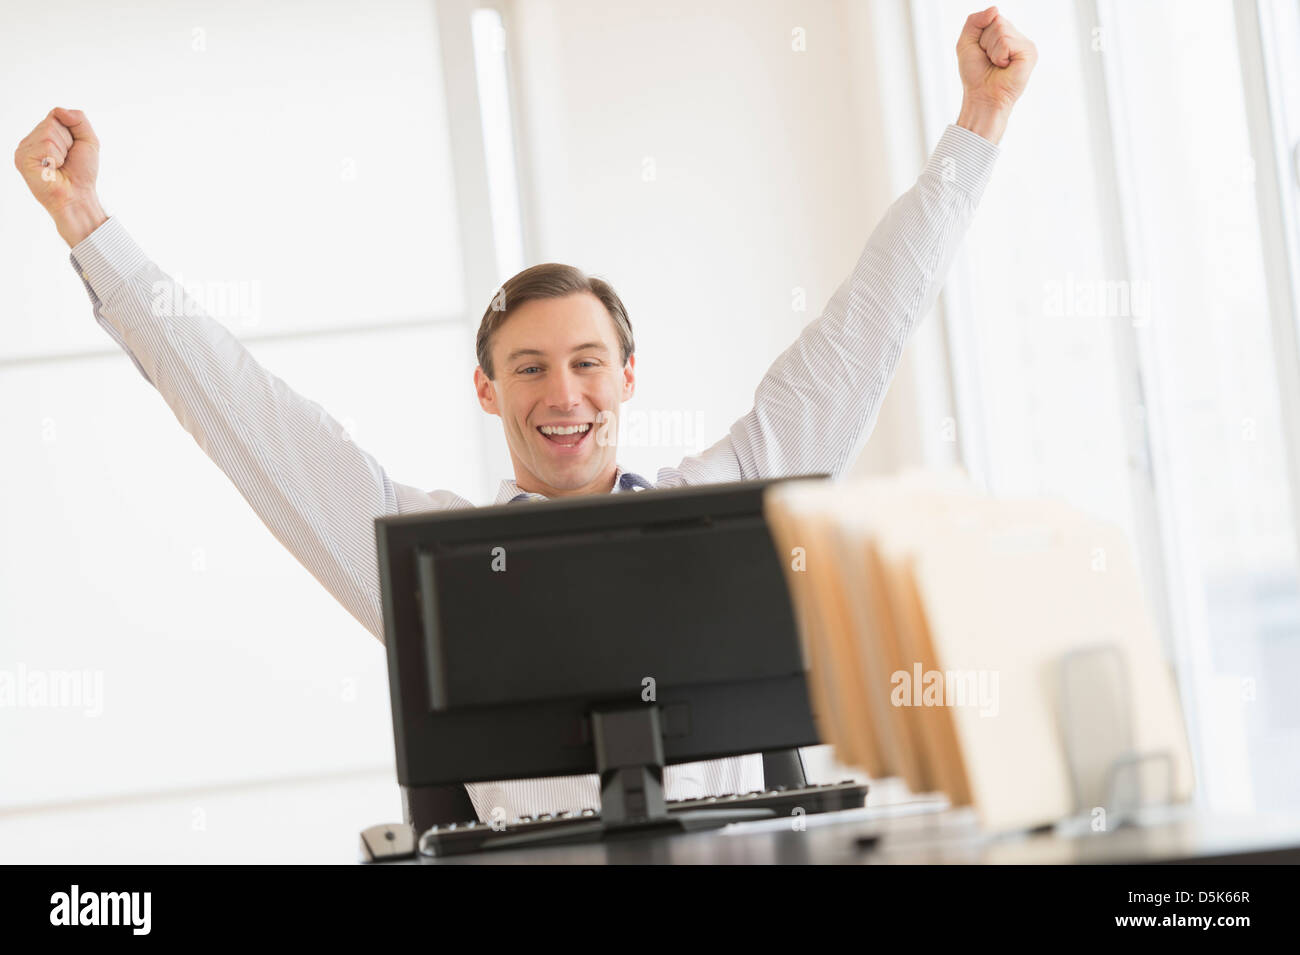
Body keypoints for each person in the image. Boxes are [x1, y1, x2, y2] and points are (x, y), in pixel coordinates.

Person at [13, 7, 1036, 822]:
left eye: (588, 363)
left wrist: (980, 119)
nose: (563, 395)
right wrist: (87, 224)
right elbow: (248, 418)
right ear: (487, 389)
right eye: (531, 368)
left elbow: (867, 329)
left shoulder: (732, 494)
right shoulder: (431, 563)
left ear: (629, 376)